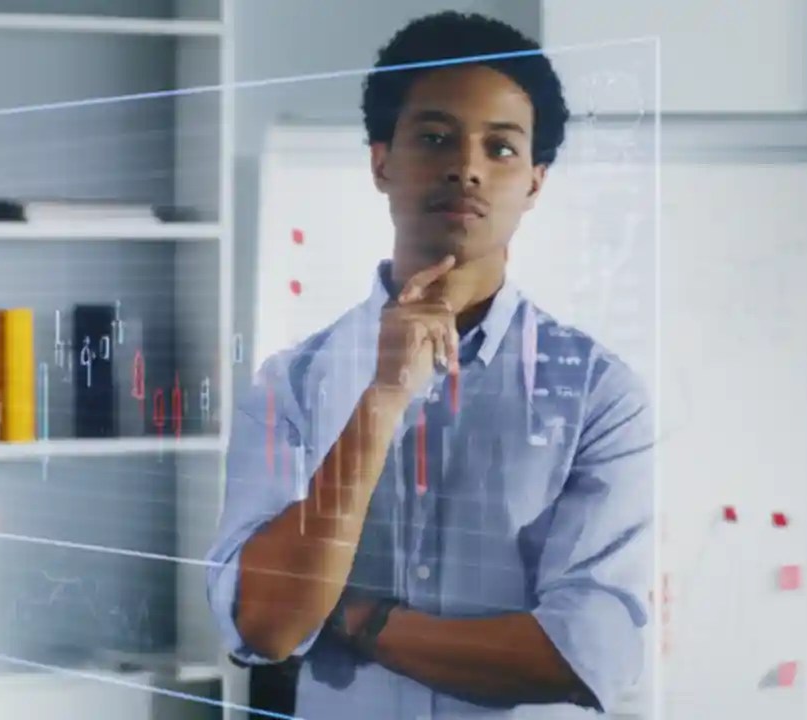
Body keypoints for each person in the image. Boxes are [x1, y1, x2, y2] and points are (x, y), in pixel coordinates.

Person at [205, 11, 654, 719]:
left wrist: (358, 619)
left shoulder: (599, 394)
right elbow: (267, 623)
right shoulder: (291, 384)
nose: (466, 167)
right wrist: (381, 399)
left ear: (536, 182)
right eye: (436, 137)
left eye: (501, 149)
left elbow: (580, 657)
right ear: (382, 161)